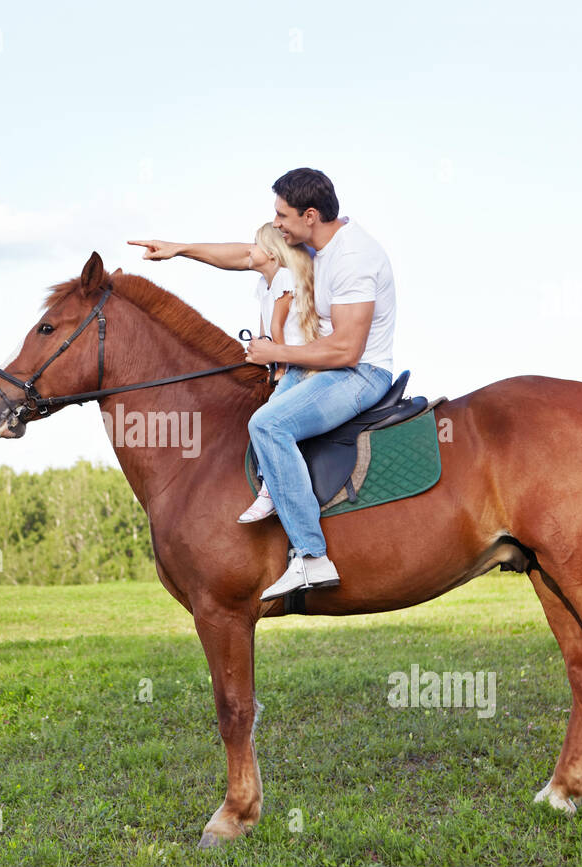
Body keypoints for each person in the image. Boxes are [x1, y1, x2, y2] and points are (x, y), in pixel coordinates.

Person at [128, 167, 397, 601]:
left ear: (310, 215)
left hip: (359, 374)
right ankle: (278, 484)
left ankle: (312, 556)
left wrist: (276, 353)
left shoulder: (353, 259)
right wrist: (181, 249)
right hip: (321, 368)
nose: (275, 224)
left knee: (268, 425)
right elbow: (244, 255)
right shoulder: (313, 244)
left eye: (282, 216)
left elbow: (347, 350)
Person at [240, 222, 322, 523]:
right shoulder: (263, 284)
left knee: (268, 421)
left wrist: (280, 367)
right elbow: (263, 330)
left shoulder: (286, 277)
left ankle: (271, 490)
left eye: (256, 245)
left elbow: (277, 329)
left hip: (298, 364)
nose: (250, 250)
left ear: (273, 253)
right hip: (278, 356)